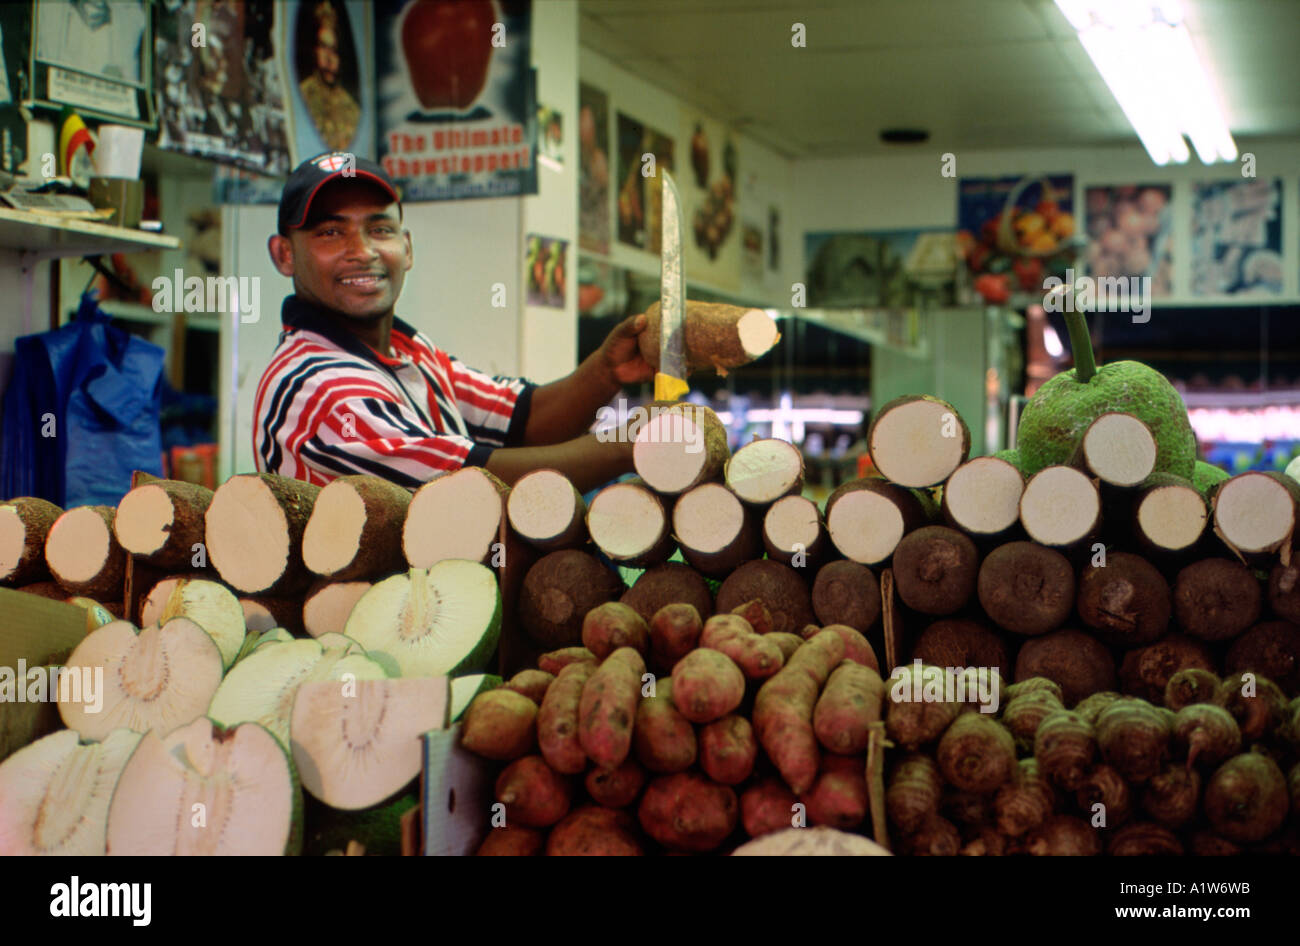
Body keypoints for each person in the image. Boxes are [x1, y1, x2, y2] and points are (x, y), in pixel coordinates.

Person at [255, 152, 653, 492]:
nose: (362, 251)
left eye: (379, 229)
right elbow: (476, 484)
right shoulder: (313, 385)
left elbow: (524, 418)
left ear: (406, 248)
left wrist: (606, 371)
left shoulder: (409, 352)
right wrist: (630, 443)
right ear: (284, 255)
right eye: (330, 232)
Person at [298, 1, 360, 151]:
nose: (329, 59)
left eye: (334, 51)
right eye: (323, 47)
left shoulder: (352, 108)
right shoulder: (302, 96)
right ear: (315, 50)